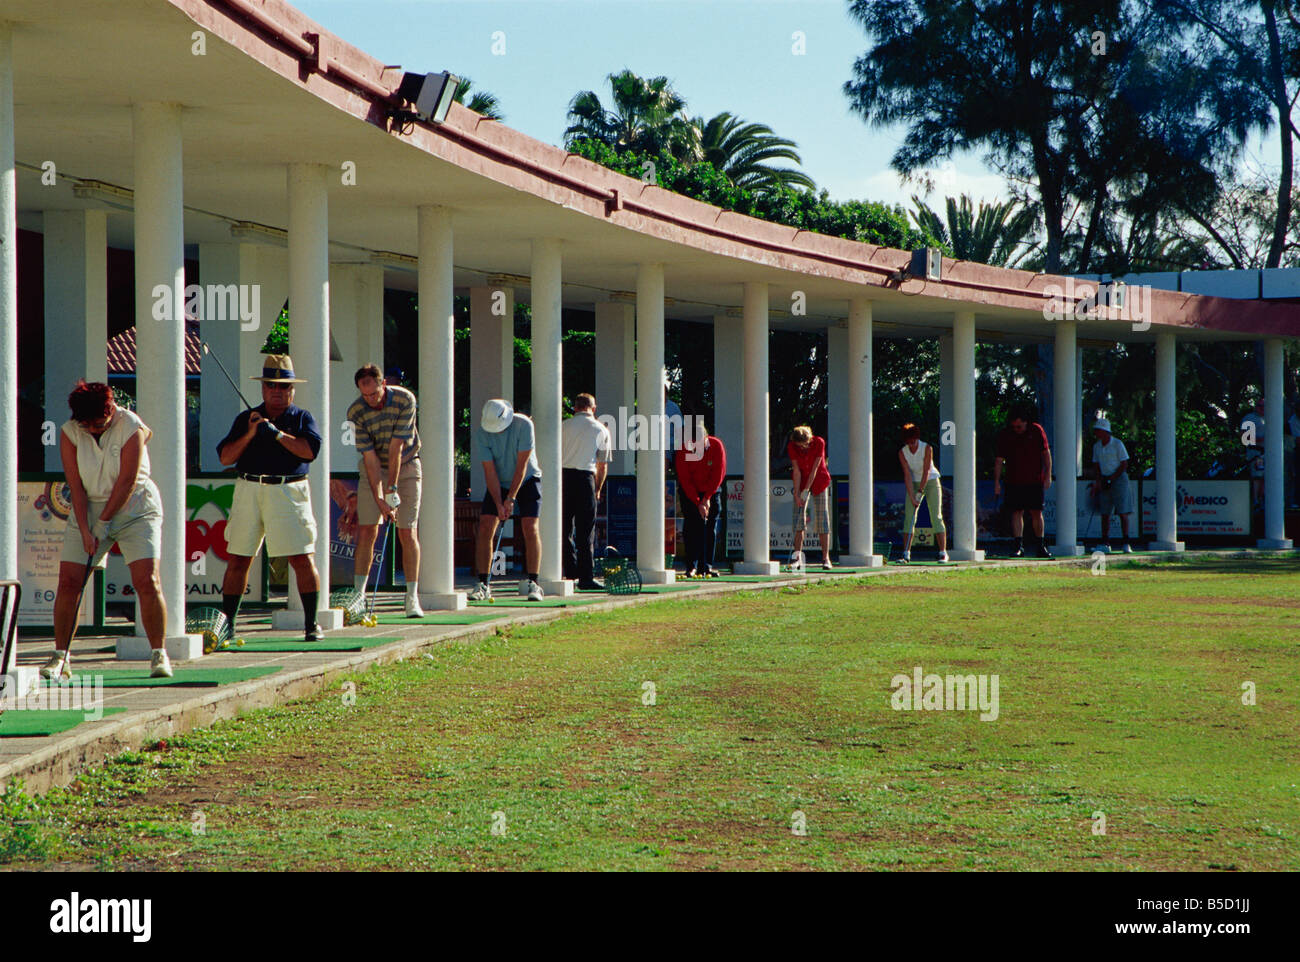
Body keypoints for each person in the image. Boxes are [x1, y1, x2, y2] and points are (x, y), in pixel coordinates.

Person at [41, 381, 173, 680]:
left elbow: (126, 481)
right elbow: (75, 486)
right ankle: (61, 657)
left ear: (111, 409)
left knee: (146, 579)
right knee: (69, 581)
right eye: (87, 425)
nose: (94, 430)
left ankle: (158, 655)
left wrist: (103, 524)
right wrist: (87, 530)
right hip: (88, 507)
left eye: (99, 424)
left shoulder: (131, 426)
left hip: (136, 508)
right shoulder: (70, 432)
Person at [216, 355, 325, 642]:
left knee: (301, 556)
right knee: (239, 558)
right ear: (263, 389)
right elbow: (226, 456)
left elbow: (309, 451)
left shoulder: (302, 418)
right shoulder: (247, 418)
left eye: (283, 386)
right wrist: (252, 432)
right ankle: (229, 626)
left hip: (288, 489)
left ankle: (311, 624)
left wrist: (277, 434)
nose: (277, 391)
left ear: (292, 390)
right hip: (249, 488)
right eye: (271, 386)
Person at [346, 363, 424, 617]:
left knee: (407, 530)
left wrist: (391, 491)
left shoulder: (405, 399)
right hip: (374, 467)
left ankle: (411, 597)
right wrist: (380, 499)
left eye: (374, 394)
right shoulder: (356, 411)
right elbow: (370, 458)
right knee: (368, 529)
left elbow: (396, 448)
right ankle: (359, 598)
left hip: (407, 464)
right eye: (364, 394)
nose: (370, 400)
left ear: (383, 384)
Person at [469, 399, 544, 602]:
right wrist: (499, 501)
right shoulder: (482, 434)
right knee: (486, 525)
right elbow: (489, 471)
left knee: (530, 526)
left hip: (528, 479)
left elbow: (522, 465)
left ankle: (534, 583)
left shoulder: (524, 425)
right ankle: (483, 584)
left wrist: (510, 498)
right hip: (499, 482)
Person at [561, 393, 613, 590]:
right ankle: (586, 576)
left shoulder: (563, 426)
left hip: (564, 477)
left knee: (564, 527)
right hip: (586, 478)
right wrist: (598, 488)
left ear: (575, 408)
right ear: (593, 408)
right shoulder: (601, 429)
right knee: (586, 530)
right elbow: (602, 465)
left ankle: (569, 572)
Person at [994, 404, 1053, 558]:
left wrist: (1048, 475)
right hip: (1013, 480)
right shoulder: (1006, 434)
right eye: (1014, 426)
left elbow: (1046, 454)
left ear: (1026, 423)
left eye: (1019, 426)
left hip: (1034, 479)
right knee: (1016, 512)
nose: (1017, 429)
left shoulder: (1037, 430)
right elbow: (999, 460)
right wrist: (996, 483)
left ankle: (1040, 545)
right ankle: (1018, 545)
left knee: (1036, 512)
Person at [674, 420, 726, 578]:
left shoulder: (716, 446)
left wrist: (707, 498)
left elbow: (718, 474)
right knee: (691, 527)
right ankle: (691, 566)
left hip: (711, 490)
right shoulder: (683, 449)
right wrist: (698, 502)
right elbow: (685, 479)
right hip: (690, 492)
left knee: (710, 528)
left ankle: (707, 566)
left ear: (706, 438)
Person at [898, 423, 948, 564]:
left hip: (931, 481)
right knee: (909, 518)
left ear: (916, 438)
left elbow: (926, 471)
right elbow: (907, 475)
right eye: (908, 442)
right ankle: (906, 554)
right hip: (913, 483)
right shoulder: (902, 452)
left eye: (913, 441)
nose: (911, 445)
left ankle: (943, 553)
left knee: (936, 516)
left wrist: (920, 491)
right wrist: (912, 496)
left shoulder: (926, 448)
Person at [786, 425, 833, 570]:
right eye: (799, 445)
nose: (802, 448)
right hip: (801, 483)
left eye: (804, 444)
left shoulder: (819, 442)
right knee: (798, 519)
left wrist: (807, 489)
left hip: (819, 481)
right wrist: (797, 493)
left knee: (822, 518)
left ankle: (826, 558)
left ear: (809, 439)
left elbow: (815, 468)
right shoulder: (792, 447)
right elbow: (796, 470)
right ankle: (797, 558)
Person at [1089, 418, 1133, 554]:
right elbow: (1096, 465)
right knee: (1105, 513)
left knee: (1122, 511)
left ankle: (1126, 543)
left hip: (1119, 479)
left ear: (1106, 431)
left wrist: (1111, 479)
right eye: (1096, 431)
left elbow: (1124, 464)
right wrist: (1099, 481)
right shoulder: (1096, 446)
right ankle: (1105, 543)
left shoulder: (1117, 444)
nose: (1096, 433)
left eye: (1098, 430)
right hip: (1104, 479)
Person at [1242, 399, 1265, 508]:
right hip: (1256, 453)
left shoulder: (1268, 418)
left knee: (1266, 477)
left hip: (1268, 453)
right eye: (1260, 406)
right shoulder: (1249, 418)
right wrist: (1260, 439)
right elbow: (1244, 437)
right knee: (1257, 476)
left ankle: (1263, 501)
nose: (1263, 409)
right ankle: (1255, 500)